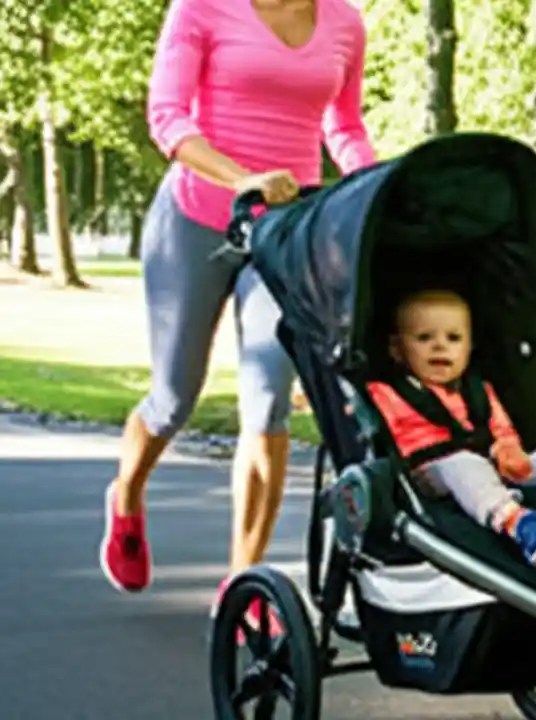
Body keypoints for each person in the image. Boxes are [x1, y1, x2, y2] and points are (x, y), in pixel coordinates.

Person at [99, 0, 378, 619]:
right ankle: (126, 495)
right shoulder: (201, 8)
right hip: (195, 223)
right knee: (173, 399)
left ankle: (241, 583)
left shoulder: (344, 23)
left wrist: (372, 188)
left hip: (282, 234)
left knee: (268, 398)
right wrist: (242, 177)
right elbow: (167, 119)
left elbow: (345, 125)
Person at [366, 289, 536, 570]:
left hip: (489, 462)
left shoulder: (479, 392)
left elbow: (501, 428)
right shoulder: (388, 393)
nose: (440, 347)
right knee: (465, 463)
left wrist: (508, 449)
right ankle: (518, 523)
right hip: (431, 470)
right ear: (397, 349)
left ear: (469, 347)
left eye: (453, 338)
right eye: (424, 338)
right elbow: (374, 427)